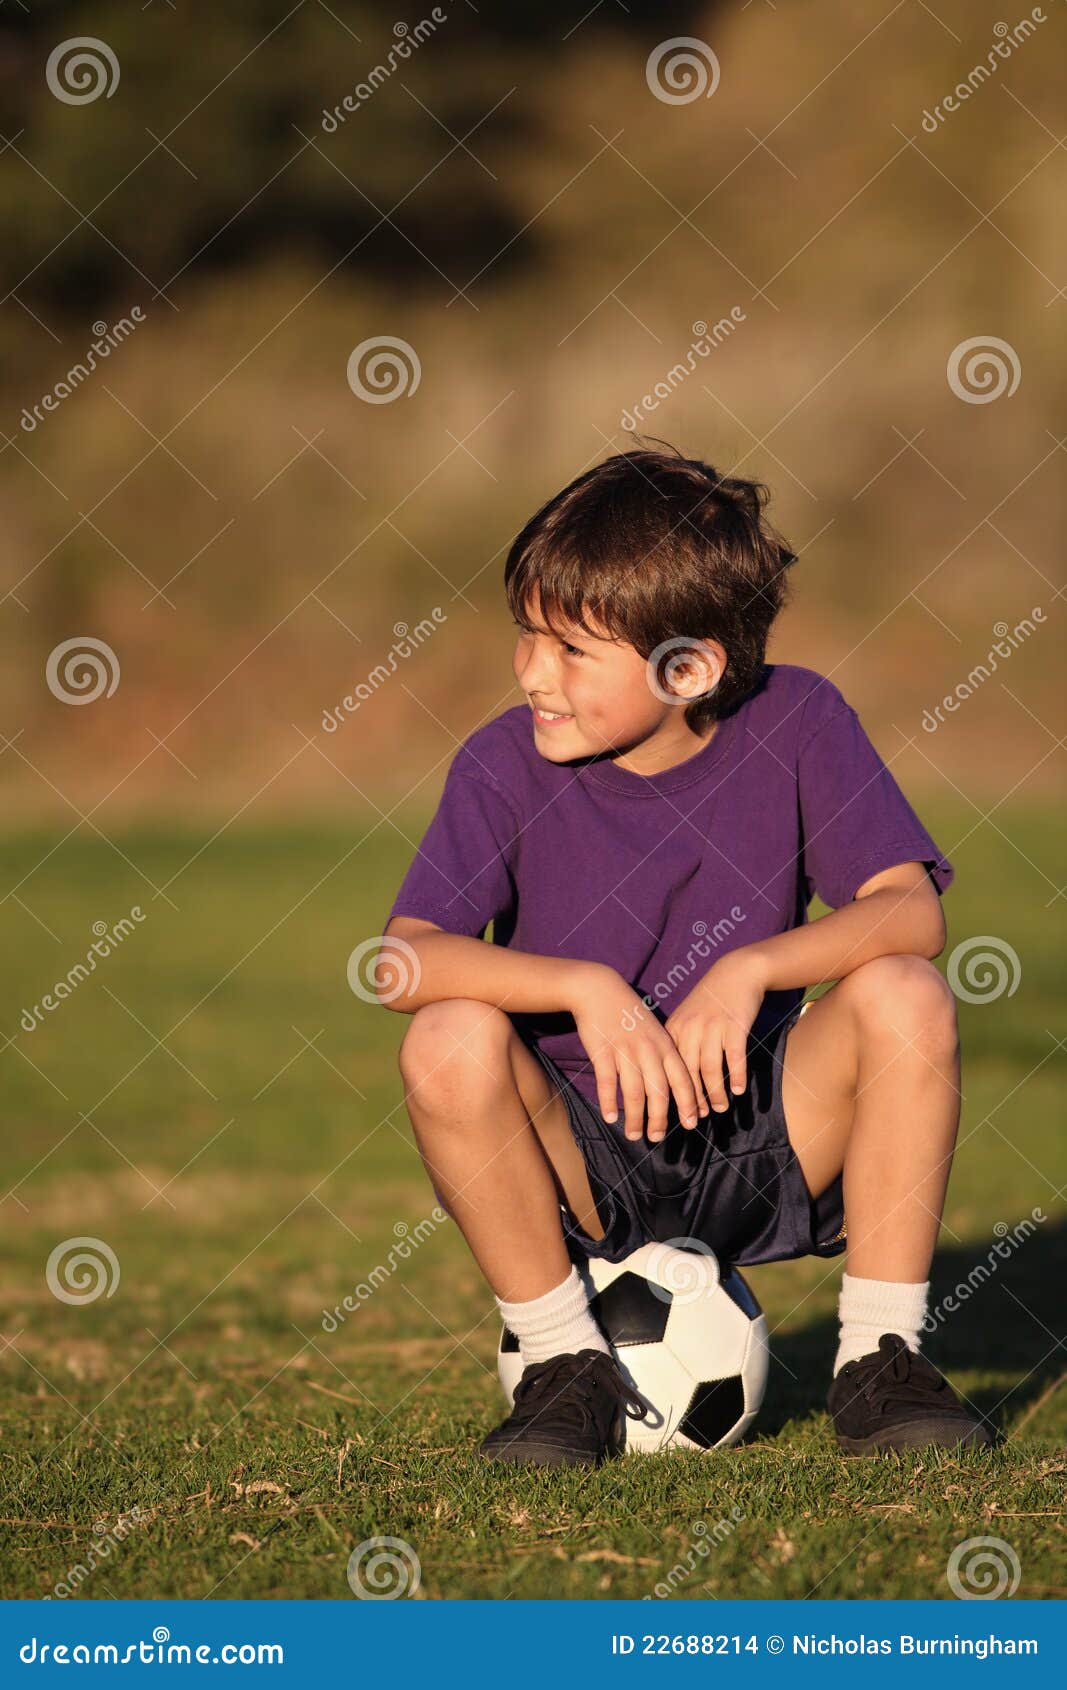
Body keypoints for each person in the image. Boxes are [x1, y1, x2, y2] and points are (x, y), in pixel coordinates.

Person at [376, 445, 994, 1465]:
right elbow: (405, 962)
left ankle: (877, 1361)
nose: (532, 674)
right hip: (578, 1153)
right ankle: (561, 1365)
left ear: (690, 666)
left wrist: (750, 967)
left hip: (757, 1122)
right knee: (447, 1037)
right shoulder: (499, 763)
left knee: (905, 994)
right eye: (525, 636)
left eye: (570, 651)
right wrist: (583, 987)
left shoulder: (796, 720)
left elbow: (907, 911)